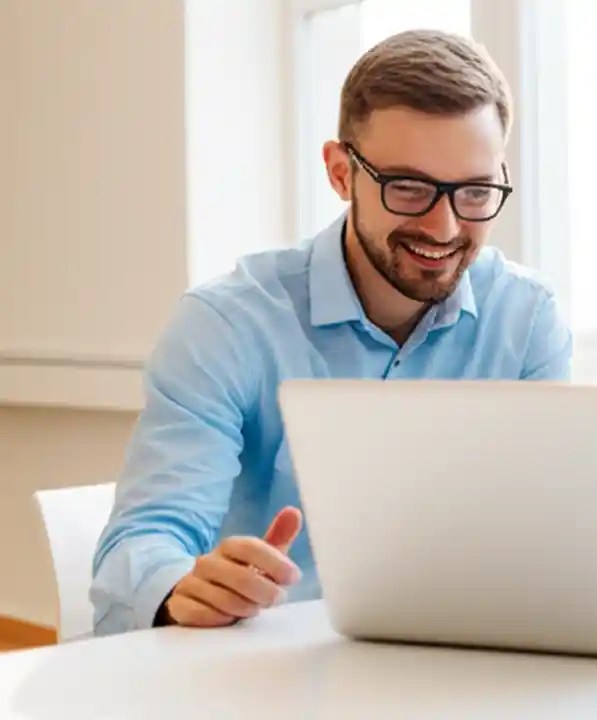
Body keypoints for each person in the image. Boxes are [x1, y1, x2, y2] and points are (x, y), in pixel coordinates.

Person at [91, 30, 572, 635]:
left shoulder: (527, 319)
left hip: (455, 664)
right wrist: (179, 588)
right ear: (341, 174)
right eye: (410, 188)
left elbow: (547, 532)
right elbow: (142, 544)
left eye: (475, 192)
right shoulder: (226, 324)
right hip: (259, 673)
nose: (445, 226)